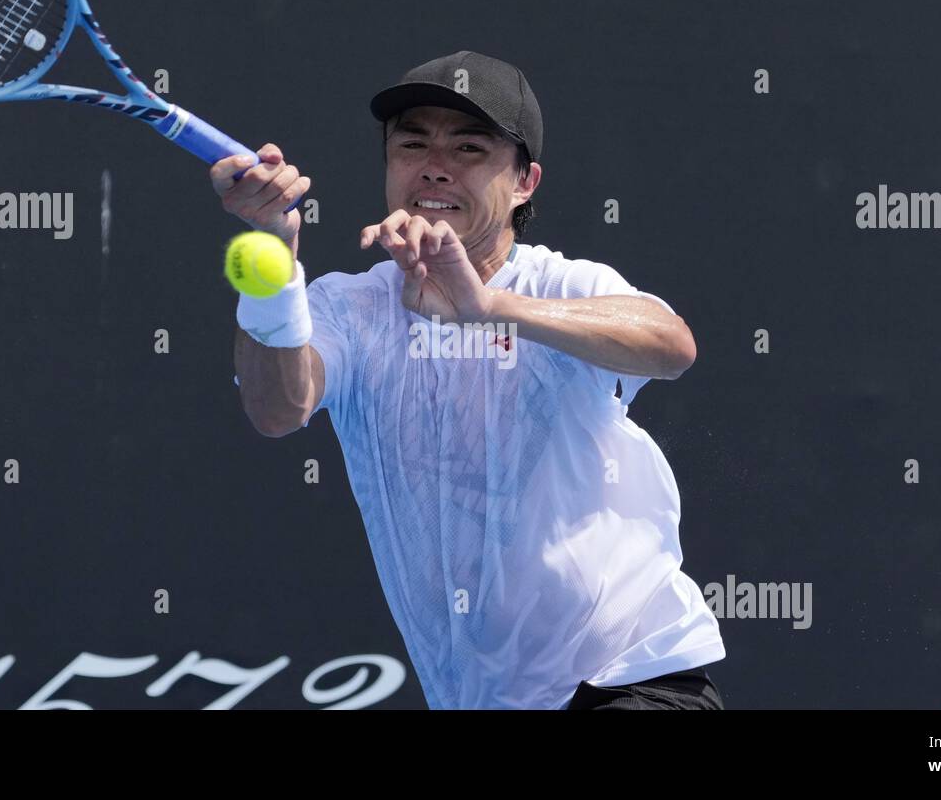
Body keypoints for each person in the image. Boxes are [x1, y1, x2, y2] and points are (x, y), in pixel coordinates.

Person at [212, 51, 725, 709]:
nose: (434, 165)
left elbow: (672, 345)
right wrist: (273, 255)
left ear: (524, 182)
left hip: (632, 678)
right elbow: (277, 408)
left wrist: (490, 308)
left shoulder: (562, 284)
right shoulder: (348, 308)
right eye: (412, 144)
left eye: (469, 148)